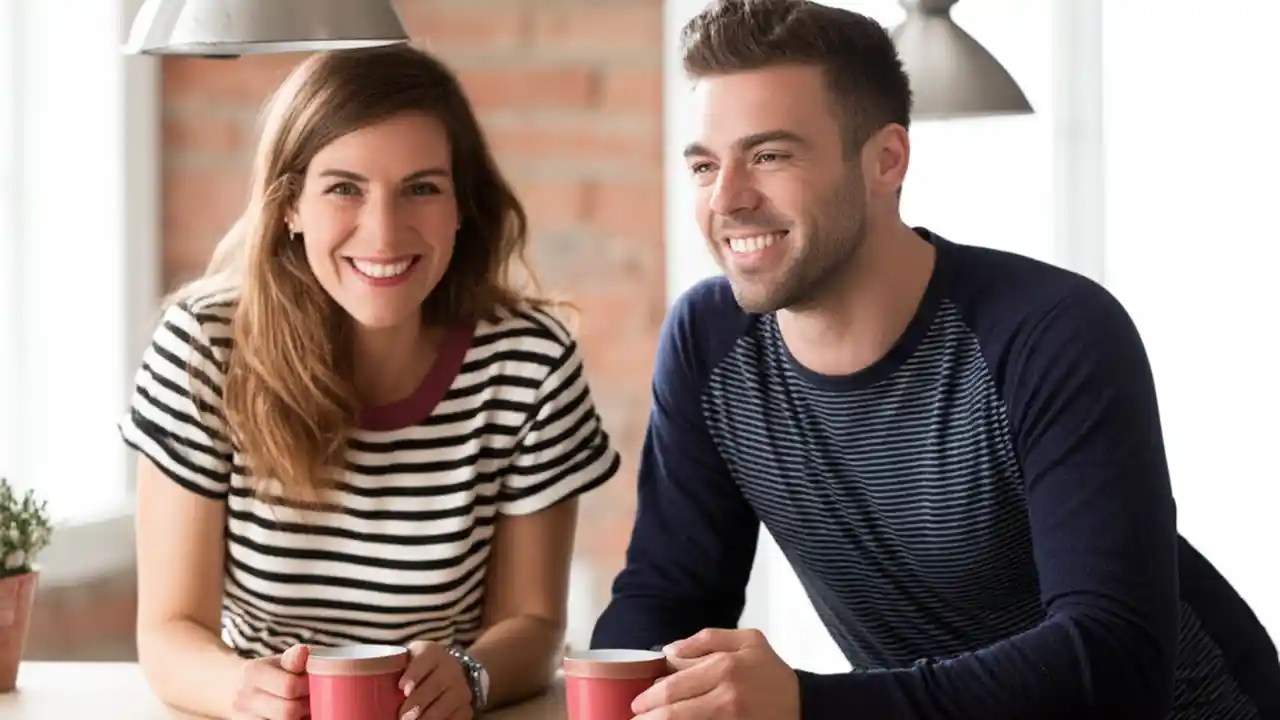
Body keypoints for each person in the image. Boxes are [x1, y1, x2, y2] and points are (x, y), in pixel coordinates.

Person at [590, 1, 1280, 718]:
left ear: (886, 160)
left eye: (769, 155)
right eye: (705, 164)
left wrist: (806, 706)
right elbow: (668, 598)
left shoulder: (1052, 333)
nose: (726, 198)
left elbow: (1111, 657)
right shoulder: (711, 342)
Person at [119, 45, 620, 720]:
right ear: (289, 205)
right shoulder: (202, 348)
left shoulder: (529, 363)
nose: (383, 234)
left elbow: (532, 625)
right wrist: (242, 691)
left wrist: (470, 676)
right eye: (344, 188)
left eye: (421, 188)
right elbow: (169, 631)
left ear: (461, 207)